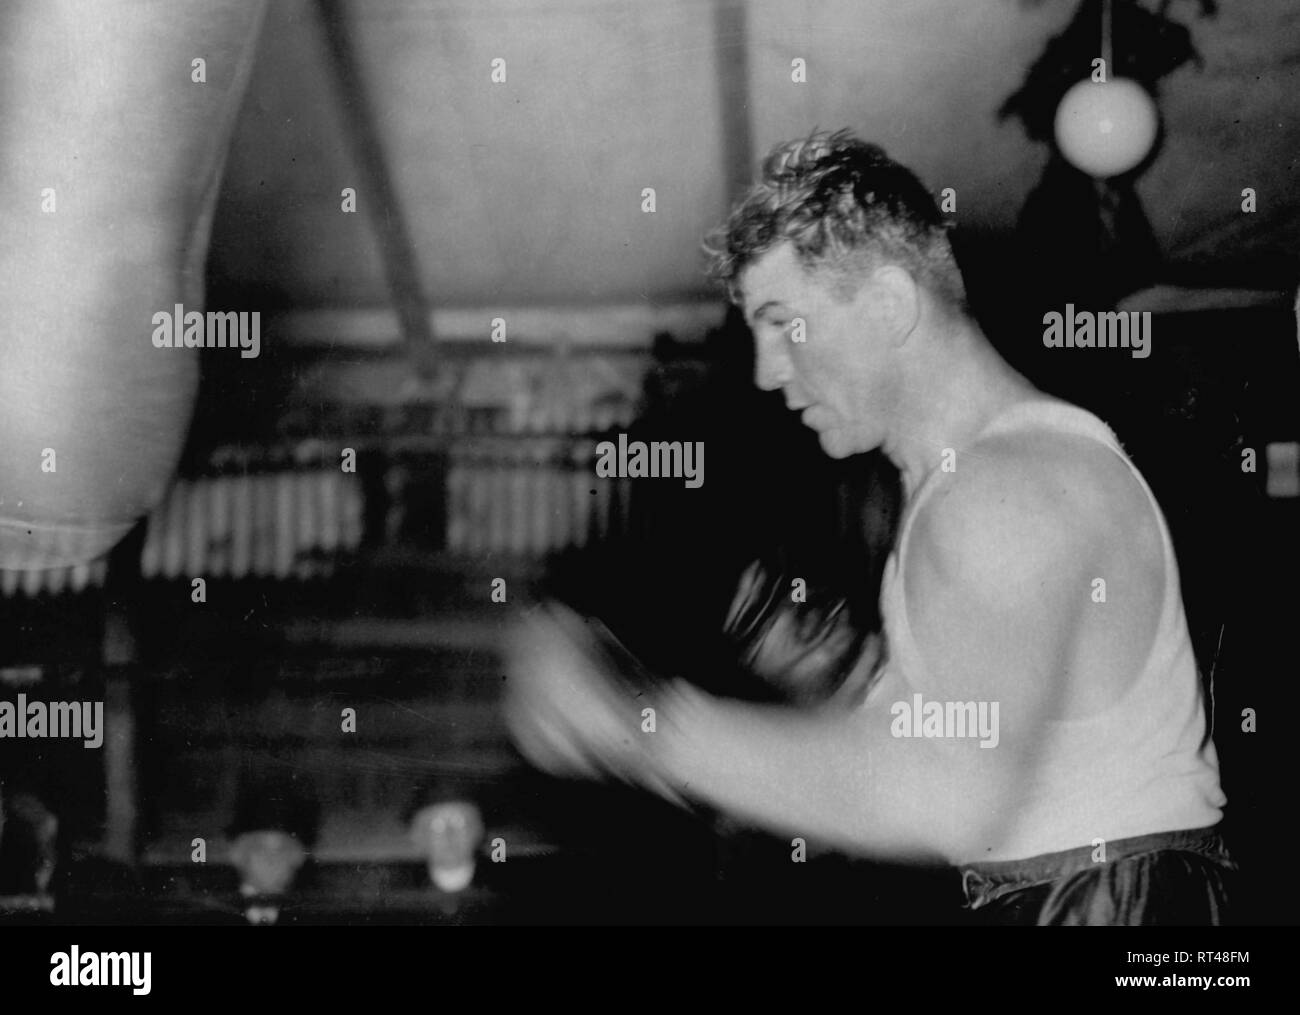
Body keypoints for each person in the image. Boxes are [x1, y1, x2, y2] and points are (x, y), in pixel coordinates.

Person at [504, 129, 1235, 925]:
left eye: (786, 324)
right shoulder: (953, 488)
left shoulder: (1003, 489)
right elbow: (925, 756)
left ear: (889, 304)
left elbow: (945, 795)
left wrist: (628, 723)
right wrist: (794, 678)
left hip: (1112, 906)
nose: (767, 371)